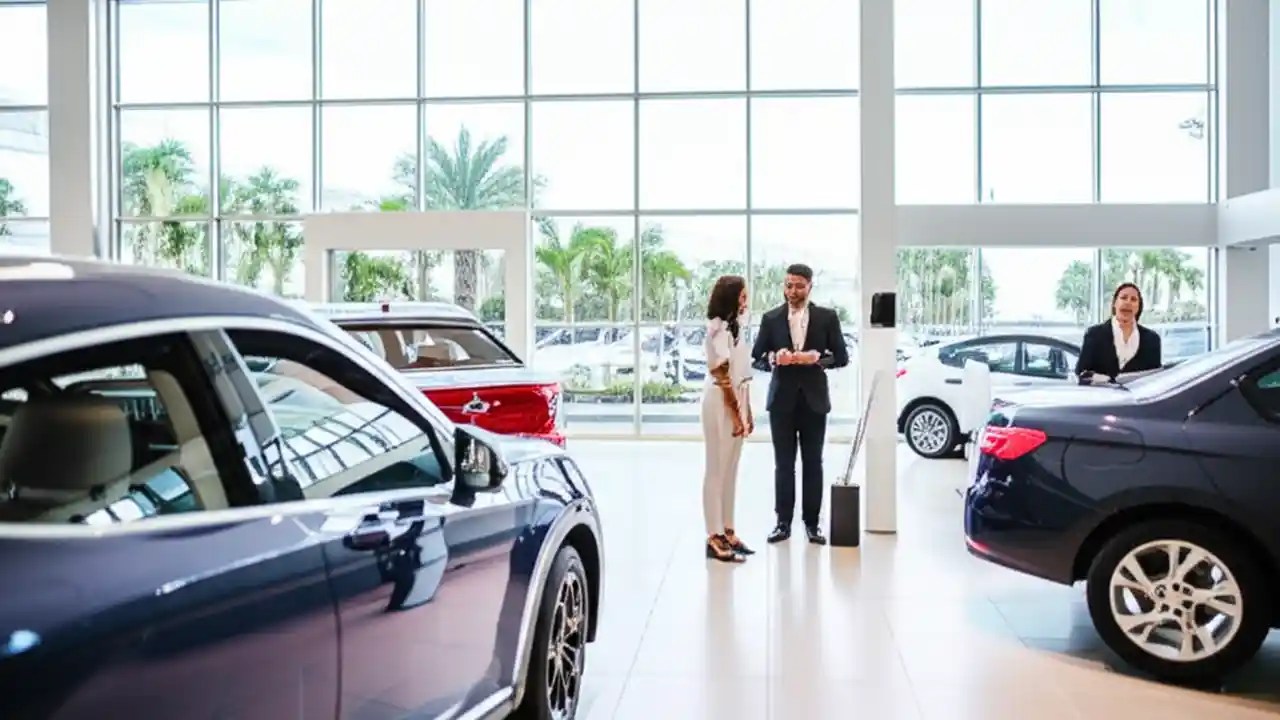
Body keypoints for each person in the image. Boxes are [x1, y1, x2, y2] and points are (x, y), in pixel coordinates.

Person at [750, 263, 849, 546]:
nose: (793, 291)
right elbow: (757, 357)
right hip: (781, 401)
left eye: (799, 286)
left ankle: (812, 523)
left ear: (810, 286)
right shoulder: (771, 318)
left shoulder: (827, 317)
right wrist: (772, 359)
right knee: (783, 465)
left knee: (813, 463)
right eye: (788, 285)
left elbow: (841, 357)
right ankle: (782, 522)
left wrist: (815, 358)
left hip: (814, 401)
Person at [701, 274, 754, 563]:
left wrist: (748, 412)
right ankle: (714, 534)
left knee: (732, 469)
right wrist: (736, 415)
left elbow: (743, 374)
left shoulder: (737, 328)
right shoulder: (717, 329)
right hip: (720, 402)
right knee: (716, 469)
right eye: (742, 296)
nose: (746, 302)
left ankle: (728, 529)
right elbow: (722, 376)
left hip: (737, 399)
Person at [1075, 282, 1162, 380]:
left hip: (1138, 394)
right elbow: (1081, 372)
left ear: (1139, 307)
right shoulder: (1094, 334)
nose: (1128, 302)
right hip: (1101, 393)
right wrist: (1106, 381)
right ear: (1114, 303)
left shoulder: (1152, 339)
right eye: (1123, 298)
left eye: (1133, 299)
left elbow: (1155, 377)